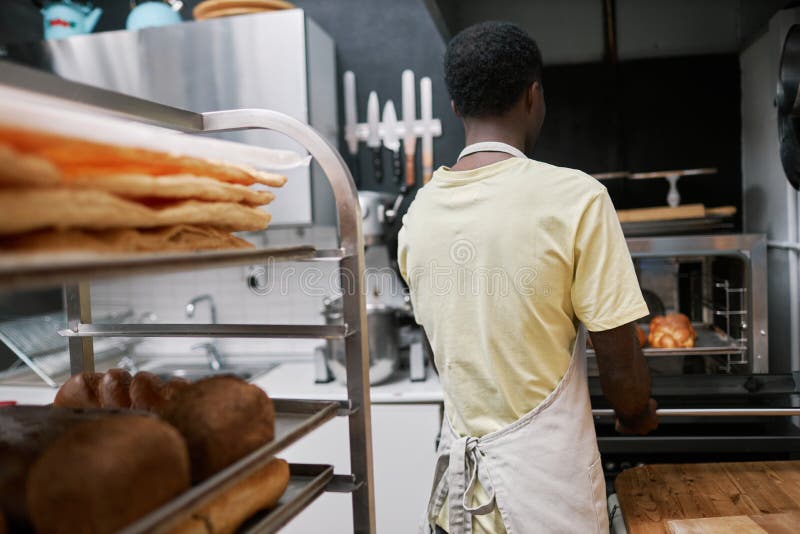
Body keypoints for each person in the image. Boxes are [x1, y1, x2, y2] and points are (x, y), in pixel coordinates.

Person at [397, 21, 658, 534]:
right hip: (548, 496)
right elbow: (618, 354)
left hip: (460, 498)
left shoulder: (417, 215)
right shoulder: (577, 198)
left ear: (456, 108)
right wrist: (634, 414)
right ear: (533, 96)